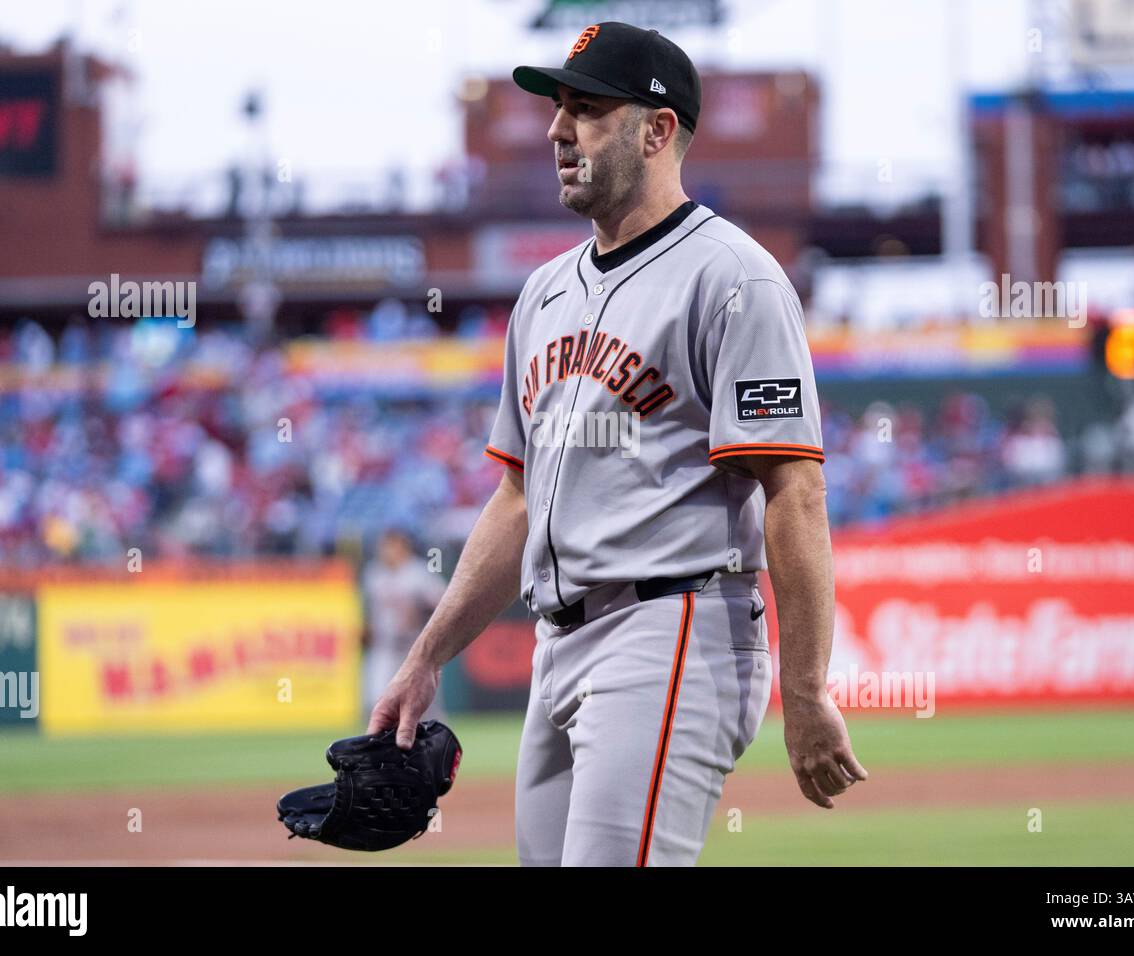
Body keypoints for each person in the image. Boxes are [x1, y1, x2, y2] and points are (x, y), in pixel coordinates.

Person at [367, 21, 866, 866]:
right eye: (560, 109)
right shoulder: (542, 294)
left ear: (658, 129)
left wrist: (808, 686)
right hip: (556, 644)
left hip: (670, 625)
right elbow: (516, 499)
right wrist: (424, 660)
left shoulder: (733, 279)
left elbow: (794, 491)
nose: (559, 130)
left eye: (589, 109)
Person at [361, 529, 446, 723]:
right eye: (384, 546)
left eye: (391, 545)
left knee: (426, 704)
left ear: (403, 547)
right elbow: (370, 611)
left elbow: (442, 602)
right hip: (384, 646)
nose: (386, 551)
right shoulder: (374, 574)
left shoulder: (418, 573)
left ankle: (438, 745)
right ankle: (382, 746)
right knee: (377, 699)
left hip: (413, 646)